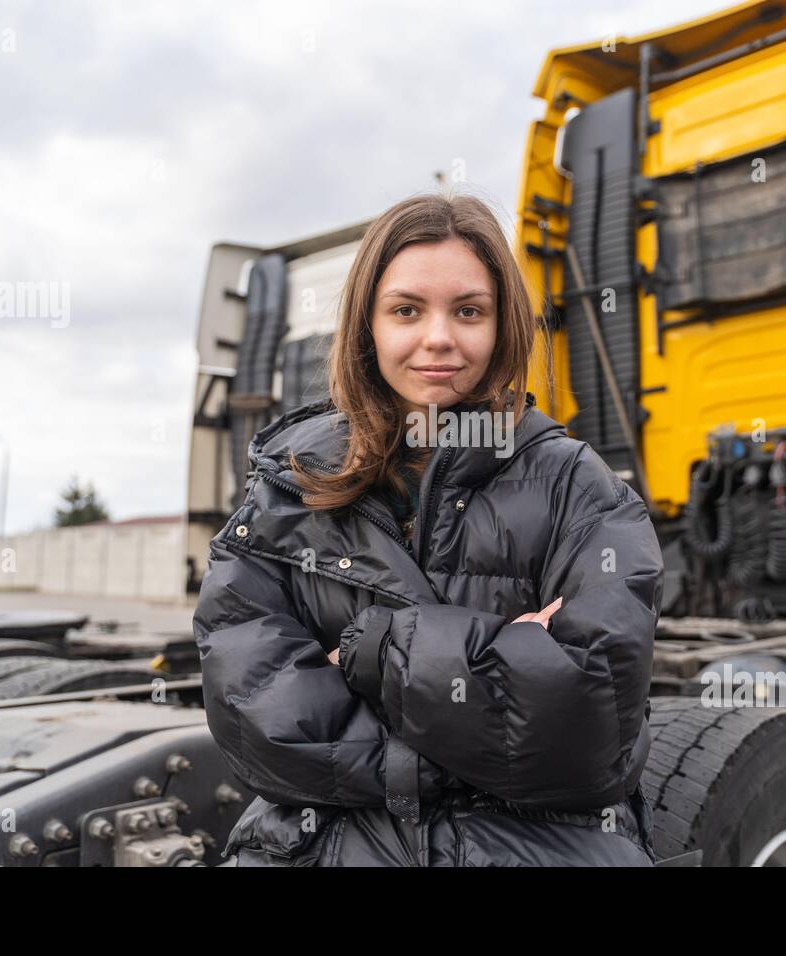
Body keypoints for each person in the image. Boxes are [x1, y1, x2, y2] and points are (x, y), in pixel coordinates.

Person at [192, 190, 664, 866]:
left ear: (504, 327)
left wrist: (373, 648)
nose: (438, 337)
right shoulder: (287, 486)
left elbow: (587, 729)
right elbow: (255, 716)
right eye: (407, 310)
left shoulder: (578, 488)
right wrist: (495, 668)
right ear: (368, 327)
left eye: (468, 311)